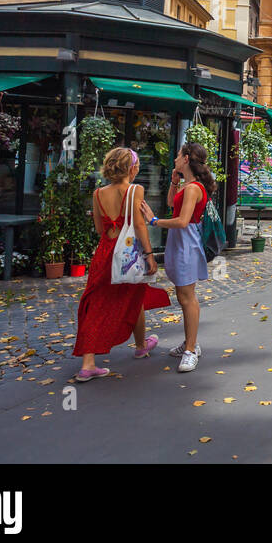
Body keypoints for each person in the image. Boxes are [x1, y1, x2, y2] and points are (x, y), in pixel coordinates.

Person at [73, 148, 169, 382]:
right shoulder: (136, 190)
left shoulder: (98, 194)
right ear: (132, 168)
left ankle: (92, 361)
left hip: (105, 253)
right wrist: (149, 254)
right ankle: (137, 347)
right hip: (129, 255)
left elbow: (100, 229)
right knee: (134, 293)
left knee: (97, 302)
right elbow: (139, 225)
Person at [156, 141, 214, 372]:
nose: (175, 159)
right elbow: (172, 204)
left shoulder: (193, 188)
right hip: (181, 242)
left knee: (187, 296)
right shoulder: (186, 185)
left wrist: (154, 221)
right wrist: (173, 182)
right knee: (183, 295)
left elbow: (182, 221)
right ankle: (190, 342)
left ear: (187, 159)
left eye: (179, 155)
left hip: (186, 242)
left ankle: (191, 349)